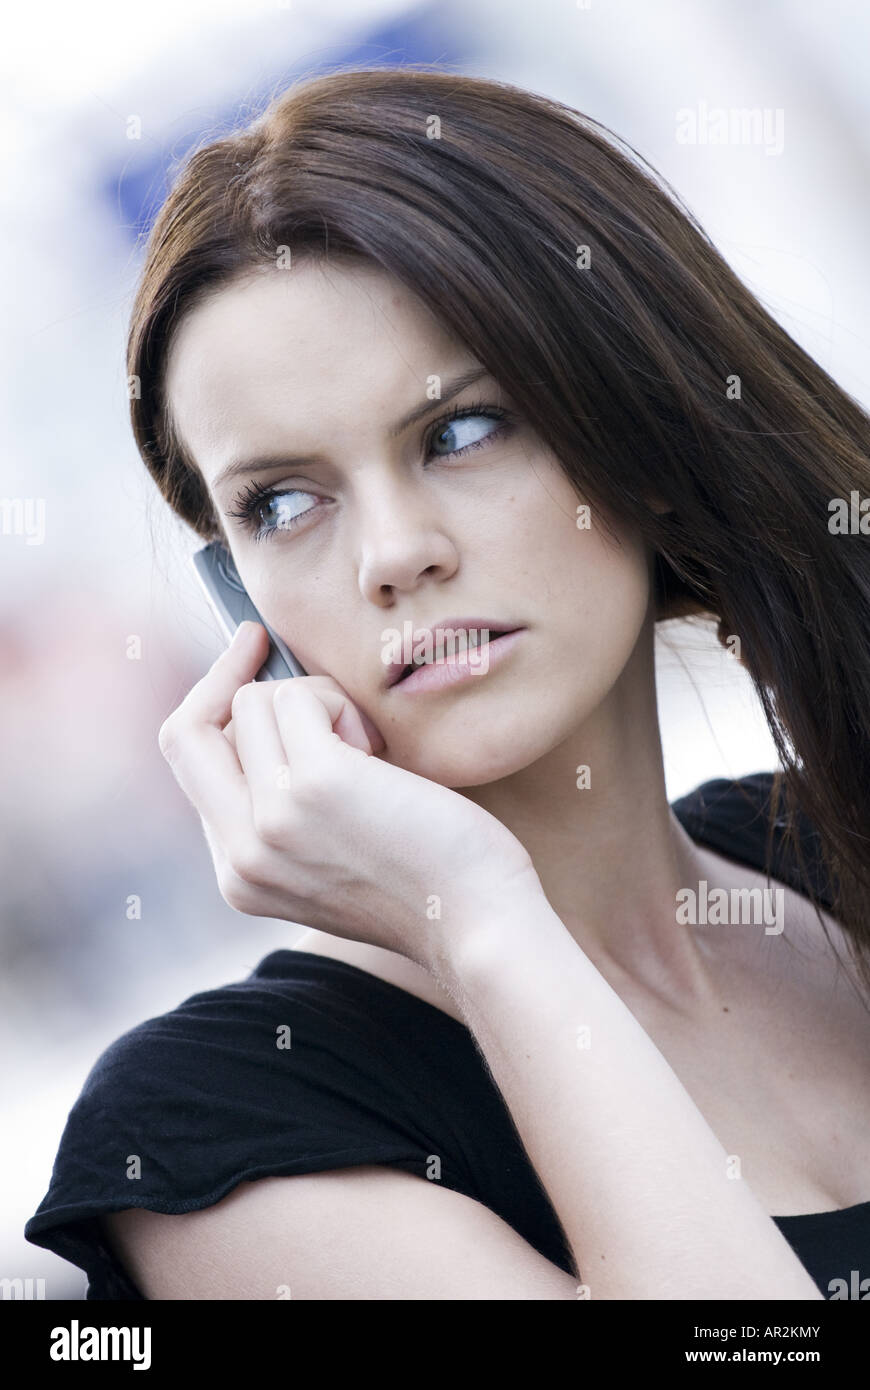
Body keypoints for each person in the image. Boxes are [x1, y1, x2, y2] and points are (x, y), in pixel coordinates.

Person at [25, 64, 870, 1301]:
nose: (391, 555)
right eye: (286, 503)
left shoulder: (830, 847)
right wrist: (480, 917)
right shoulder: (229, 1125)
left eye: (459, 432)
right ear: (238, 595)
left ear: (636, 432)